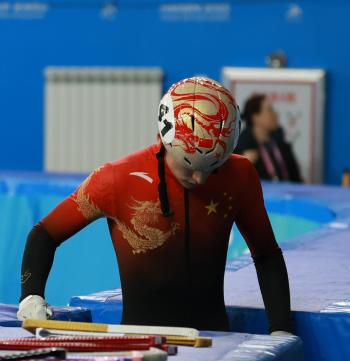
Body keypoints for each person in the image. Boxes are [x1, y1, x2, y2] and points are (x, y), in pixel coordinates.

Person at [18, 76, 293, 334]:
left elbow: (266, 254)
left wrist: (280, 327)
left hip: (214, 340)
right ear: (162, 140)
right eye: (189, 167)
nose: (200, 178)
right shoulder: (115, 179)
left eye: (213, 167)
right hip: (142, 343)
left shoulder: (240, 174)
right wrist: (31, 296)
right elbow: (45, 234)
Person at [234, 94, 303, 183]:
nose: (275, 114)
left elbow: (297, 181)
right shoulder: (239, 149)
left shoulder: (282, 145)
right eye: (269, 110)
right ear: (255, 117)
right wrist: (241, 165)